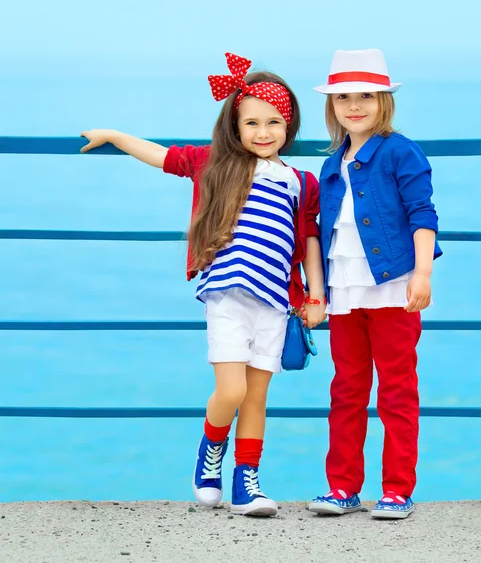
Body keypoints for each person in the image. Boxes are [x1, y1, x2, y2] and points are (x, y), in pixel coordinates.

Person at [81, 52, 326, 517]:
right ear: (234, 125)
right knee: (231, 391)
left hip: (276, 302)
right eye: (252, 122)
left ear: (289, 126)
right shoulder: (214, 163)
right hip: (227, 295)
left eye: (275, 122)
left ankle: (246, 482)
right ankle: (211, 449)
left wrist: (315, 295)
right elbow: (164, 156)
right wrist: (113, 135)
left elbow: (309, 238)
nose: (263, 132)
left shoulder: (300, 181)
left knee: (257, 396)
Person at [307, 49, 442, 520]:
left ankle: (398, 489)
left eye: (366, 95)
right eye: (343, 97)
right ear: (332, 105)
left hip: (394, 288)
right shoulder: (332, 164)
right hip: (344, 292)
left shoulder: (401, 151)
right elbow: (323, 233)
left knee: (397, 390)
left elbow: (423, 214)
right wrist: (317, 293)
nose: (354, 105)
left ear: (384, 100)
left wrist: (423, 273)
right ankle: (342, 486)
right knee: (346, 389)